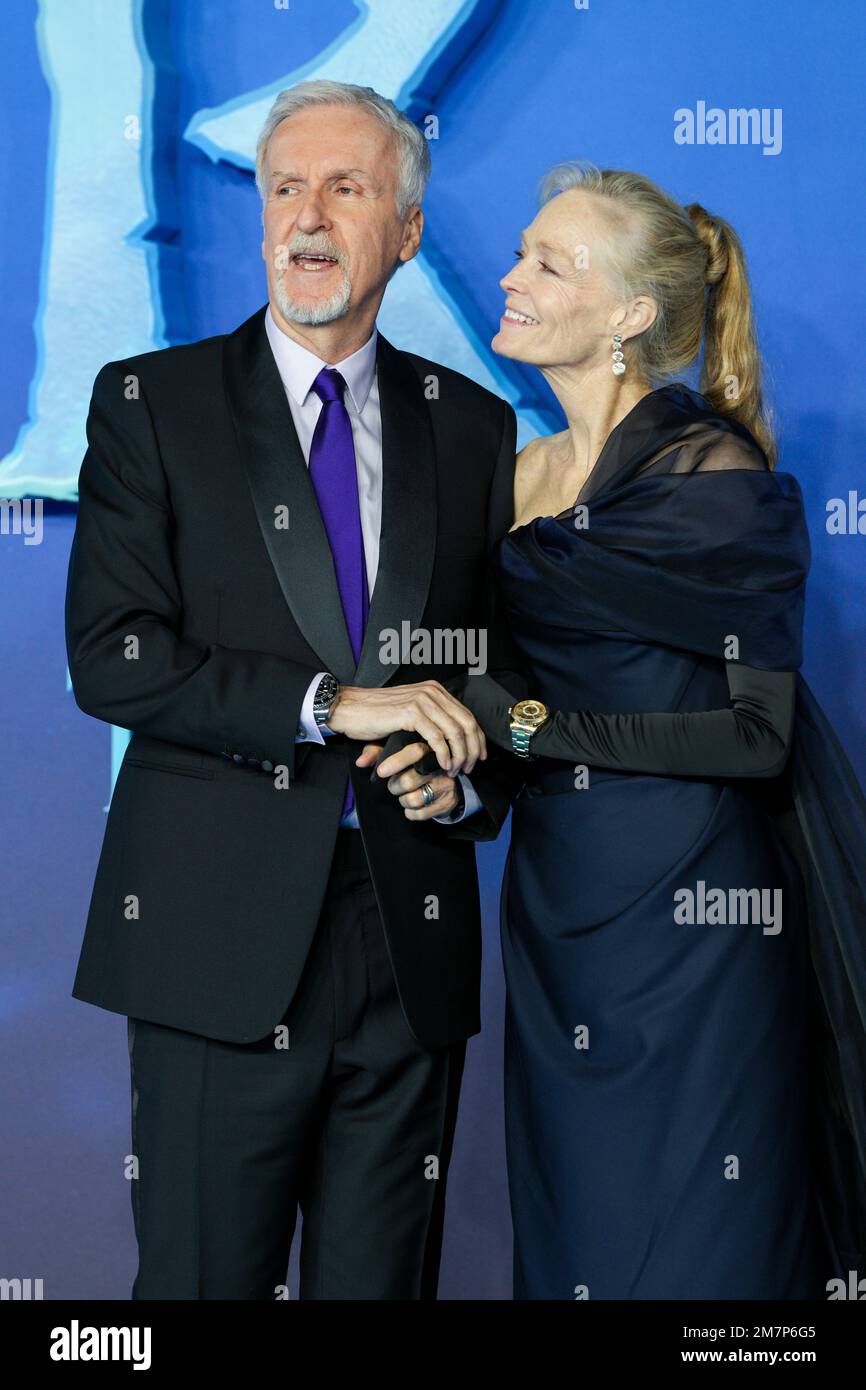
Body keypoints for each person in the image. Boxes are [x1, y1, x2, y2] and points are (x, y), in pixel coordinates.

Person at [64, 79, 524, 1300]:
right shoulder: (148, 405)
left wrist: (464, 770)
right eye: (281, 187)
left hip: (405, 947)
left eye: (344, 187)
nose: (304, 217)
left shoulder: (471, 429)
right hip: (214, 940)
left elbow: (491, 677)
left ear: (406, 230)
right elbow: (112, 657)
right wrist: (331, 702)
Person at [375, 161, 866, 1299]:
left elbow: (755, 737)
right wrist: (460, 766)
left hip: (696, 923)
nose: (509, 277)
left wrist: (538, 728)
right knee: (582, 1249)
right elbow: (481, 711)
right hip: (557, 917)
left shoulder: (714, 475)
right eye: (520, 251)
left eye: (549, 262)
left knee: (710, 1259)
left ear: (631, 315)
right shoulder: (507, 476)